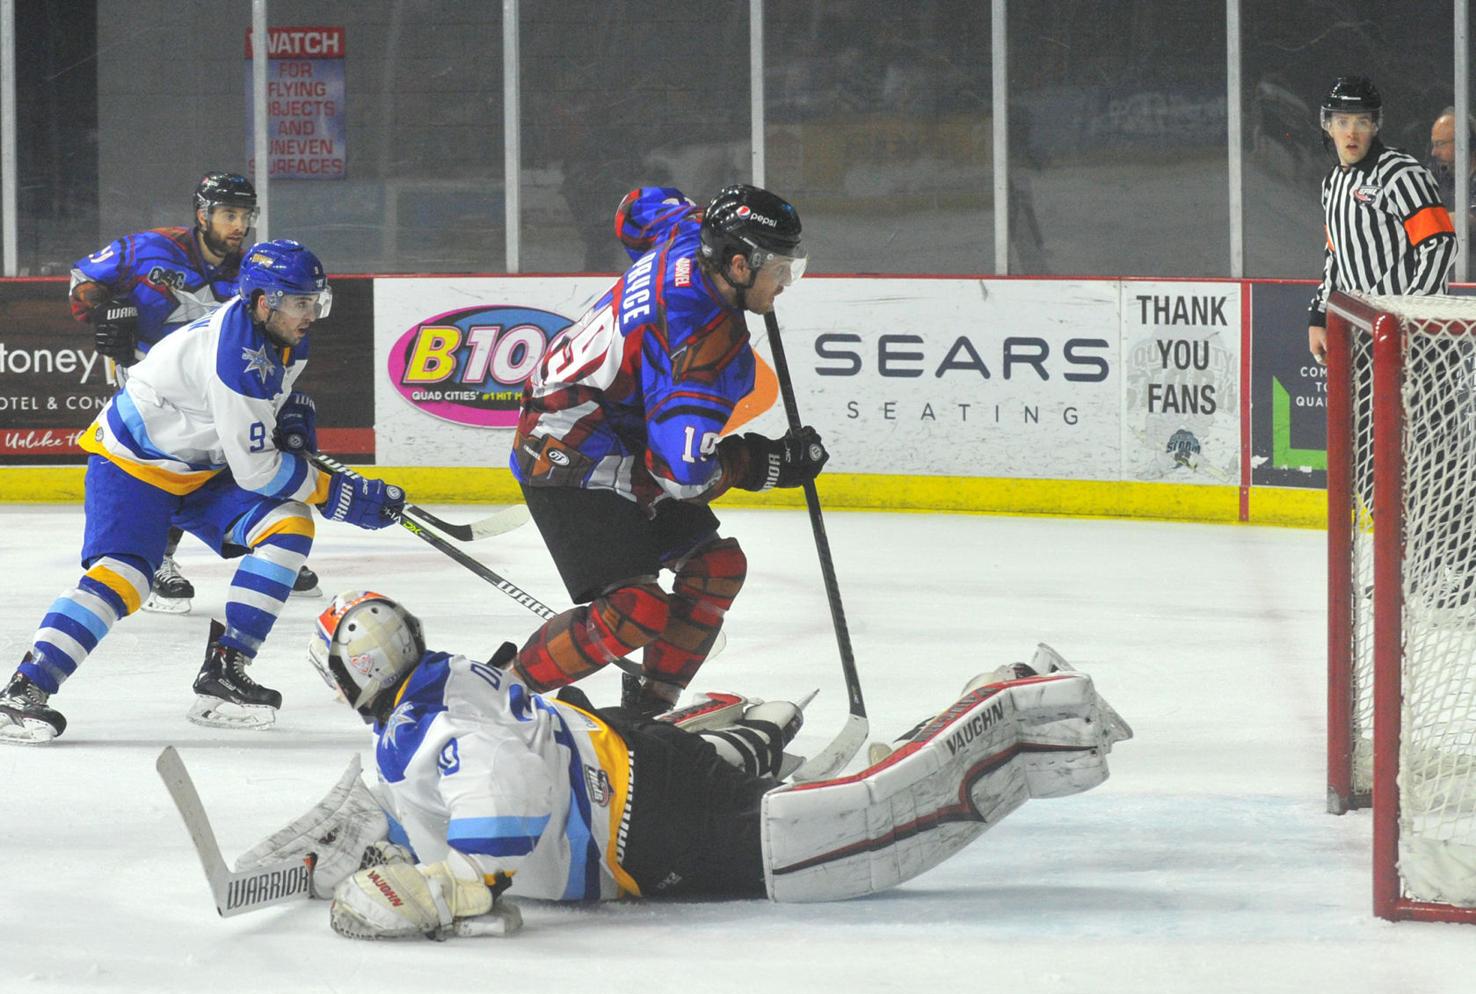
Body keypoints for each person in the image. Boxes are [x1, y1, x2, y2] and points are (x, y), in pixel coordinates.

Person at [232, 591, 1130, 941]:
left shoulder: (432, 736)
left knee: (826, 839)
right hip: (636, 754)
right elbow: (423, 782)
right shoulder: (446, 678)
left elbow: (500, 796)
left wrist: (453, 886)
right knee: (745, 776)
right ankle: (753, 735)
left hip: (639, 836)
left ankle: (1012, 703)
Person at [0, 241, 407, 746]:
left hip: (202, 465)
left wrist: (294, 412)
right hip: (134, 465)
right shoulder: (233, 357)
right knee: (125, 578)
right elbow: (257, 470)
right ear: (265, 301)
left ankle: (224, 672)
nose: (311, 314)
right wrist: (338, 493)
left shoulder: (284, 335)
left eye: (314, 302)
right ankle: (23, 691)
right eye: (301, 302)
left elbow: (271, 407)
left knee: (287, 525)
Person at [506, 183, 829, 717]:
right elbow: (685, 477)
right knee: (634, 611)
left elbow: (634, 208)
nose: (785, 281)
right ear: (739, 265)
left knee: (717, 567)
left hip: (604, 430)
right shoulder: (703, 349)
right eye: (777, 267)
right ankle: (495, 693)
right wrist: (766, 463)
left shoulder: (688, 231)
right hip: (570, 453)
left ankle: (647, 712)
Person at [70, 170, 323, 613]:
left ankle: (260, 534)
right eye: (229, 214)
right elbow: (83, 280)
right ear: (202, 214)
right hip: (150, 379)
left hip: (210, 384)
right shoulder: (151, 247)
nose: (239, 226)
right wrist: (106, 308)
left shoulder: (252, 274)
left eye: (246, 216)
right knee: (169, 456)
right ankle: (158, 557)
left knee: (249, 442)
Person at [1307, 76, 1456, 364]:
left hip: (1415, 340)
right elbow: (1335, 256)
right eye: (1343, 122)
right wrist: (1319, 315)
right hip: (1360, 334)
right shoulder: (1332, 183)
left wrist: (1410, 317)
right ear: (1327, 125)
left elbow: (1440, 244)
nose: (1352, 133)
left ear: (1375, 126)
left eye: (1361, 122)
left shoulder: (1401, 174)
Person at [1427, 106, 1476, 228]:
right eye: (1434, 145)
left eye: (1440, 144)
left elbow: (1470, 221)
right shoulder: (1441, 176)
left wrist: (1422, 222)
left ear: (1464, 142)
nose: (1434, 152)